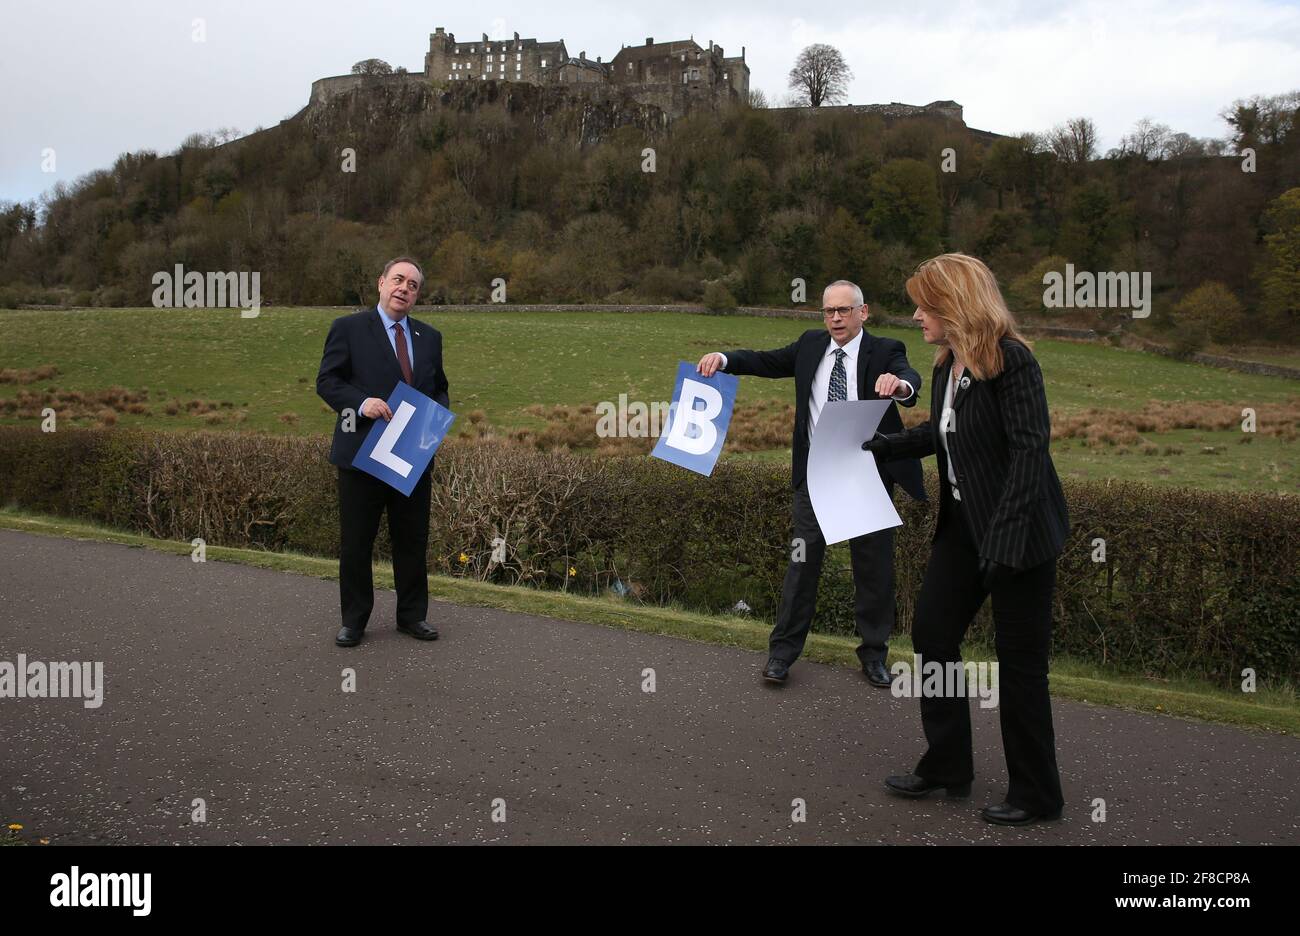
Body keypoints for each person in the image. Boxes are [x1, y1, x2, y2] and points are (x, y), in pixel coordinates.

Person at [864, 253, 1069, 825]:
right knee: (932, 635)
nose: (915, 314)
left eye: (924, 305)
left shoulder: (1011, 362)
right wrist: (884, 447)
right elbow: (943, 432)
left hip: (1019, 536)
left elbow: (1031, 453)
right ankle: (948, 764)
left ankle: (1037, 794)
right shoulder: (945, 364)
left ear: (954, 305)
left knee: (1020, 665)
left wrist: (1002, 547)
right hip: (961, 531)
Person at [698, 280, 925, 687]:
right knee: (802, 567)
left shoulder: (886, 350)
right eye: (828, 311)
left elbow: (909, 379)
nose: (835, 318)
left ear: (863, 312)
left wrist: (901, 386)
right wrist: (724, 358)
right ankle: (781, 655)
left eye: (843, 310)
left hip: (866, 475)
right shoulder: (809, 345)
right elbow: (766, 361)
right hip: (816, 475)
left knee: (872, 571)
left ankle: (874, 656)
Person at [316, 257, 450, 648]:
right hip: (362, 453)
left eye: (412, 284)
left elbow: (440, 387)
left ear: (417, 294)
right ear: (381, 283)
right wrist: (361, 403)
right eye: (398, 280)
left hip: (411, 455)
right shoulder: (348, 328)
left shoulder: (431, 337)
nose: (404, 288)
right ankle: (354, 621)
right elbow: (327, 381)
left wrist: (434, 420)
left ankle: (412, 617)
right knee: (357, 542)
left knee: (412, 541)